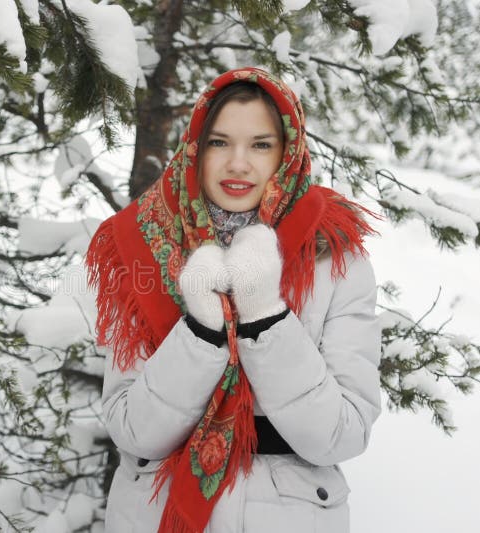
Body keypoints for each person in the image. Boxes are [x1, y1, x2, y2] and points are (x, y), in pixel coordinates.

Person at [85, 67, 381, 533]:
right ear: (195, 149)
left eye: (260, 145)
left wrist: (264, 316)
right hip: (153, 512)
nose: (238, 164)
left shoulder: (334, 258)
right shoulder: (142, 246)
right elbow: (133, 431)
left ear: (288, 152)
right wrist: (201, 329)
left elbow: (342, 434)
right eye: (219, 142)